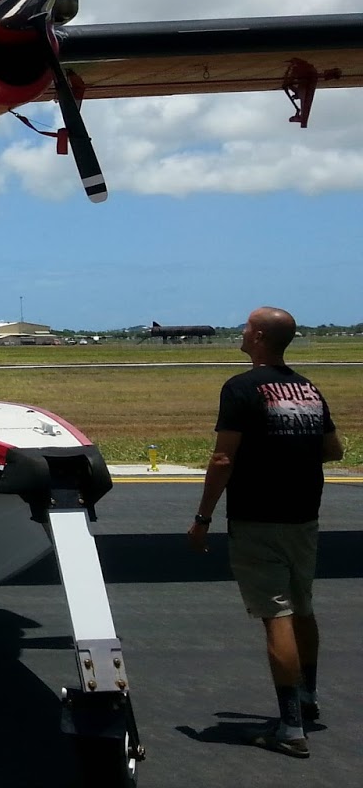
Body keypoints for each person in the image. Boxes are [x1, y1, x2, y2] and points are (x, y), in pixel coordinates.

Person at [187, 306, 344, 759]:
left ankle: (290, 727)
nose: (241, 330)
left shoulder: (240, 388)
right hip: (304, 516)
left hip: (258, 519)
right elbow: (331, 449)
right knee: (303, 608)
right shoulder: (308, 388)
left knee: (276, 616)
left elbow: (222, 460)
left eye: (246, 326)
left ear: (257, 337)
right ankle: (309, 697)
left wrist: (202, 518)